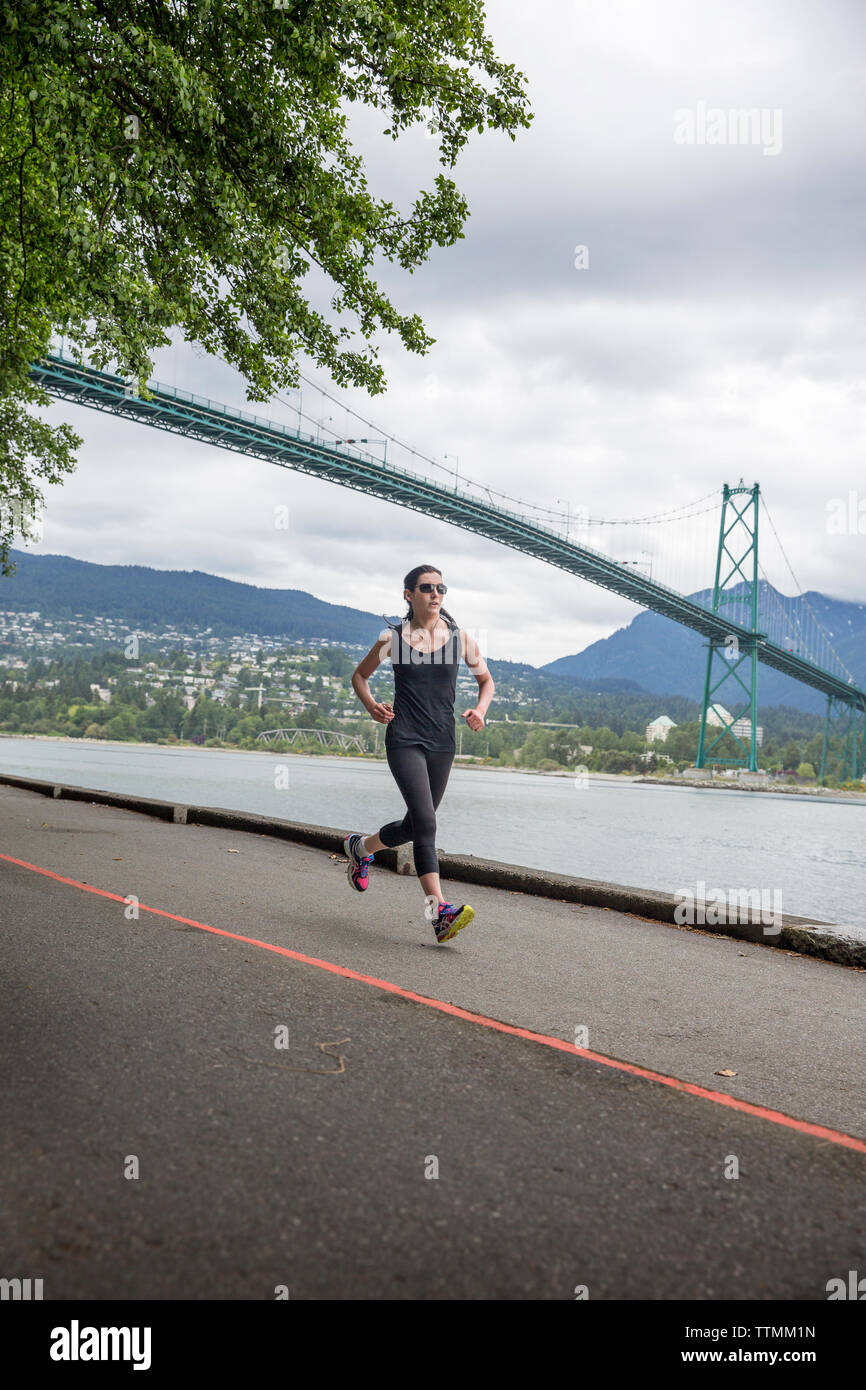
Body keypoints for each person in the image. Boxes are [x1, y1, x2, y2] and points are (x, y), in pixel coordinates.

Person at [346, 564, 495, 943]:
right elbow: (359, 676)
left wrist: (480, 710)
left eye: (440, 587)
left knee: (416, 825)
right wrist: (370, 706)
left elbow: (486, 681)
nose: (436, 594)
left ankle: (361, 848)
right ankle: (439, 912)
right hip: (405, 738)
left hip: (443, 743)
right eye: (426, 587)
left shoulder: (460, 640)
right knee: (427, 824)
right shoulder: (392, 639)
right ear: (408, 595)